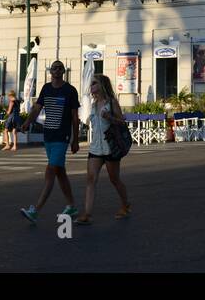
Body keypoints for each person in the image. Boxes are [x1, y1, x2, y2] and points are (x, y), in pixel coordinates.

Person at [19, 60, 80, 224]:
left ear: (64, 71)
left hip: (62, 137)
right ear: (50, 71)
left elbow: (75, 117)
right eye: (55, 68)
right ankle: (72, 205)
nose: (57, 70)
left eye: (60, 68)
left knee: (50, 171)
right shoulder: (46, 88)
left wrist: (75, 140)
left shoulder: (70, 91)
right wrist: (27, 122)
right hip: (49, 137)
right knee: (60, 172)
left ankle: (36, 210)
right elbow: (37, 108)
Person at [77, 74, 130, 224]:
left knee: (114, 179)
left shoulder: (111, 103)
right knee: (90, 179)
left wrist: (109, 117)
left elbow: (122, 122)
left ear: (102, 85)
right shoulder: (93, 105)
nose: (91, 86)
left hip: (110, 147)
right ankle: (87, 214)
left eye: (94, 83)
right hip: (95, 147)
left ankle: (125, 205)